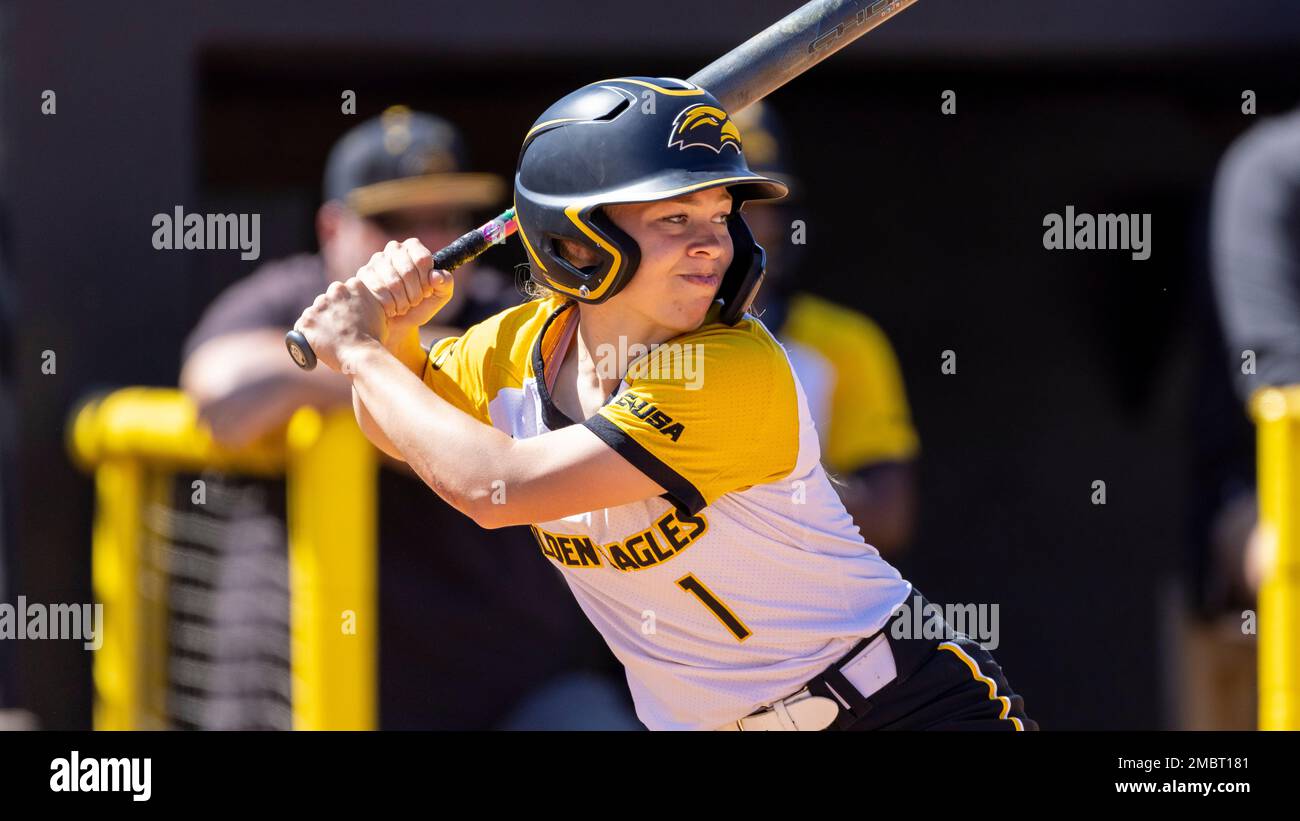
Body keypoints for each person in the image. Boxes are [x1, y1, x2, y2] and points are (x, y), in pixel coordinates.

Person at [294, 77, 1037, 731]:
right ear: (577, 239)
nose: (712, 243)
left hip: (895, 708)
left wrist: (360, 352)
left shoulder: (734, 364)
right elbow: (398, 431)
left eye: (718, 217)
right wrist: (393, 341)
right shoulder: (513, 344)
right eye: (675, 220)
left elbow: (499, 487)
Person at [181, 106, 635, 730]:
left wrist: (371, 367)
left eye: (444, 217)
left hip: (511, 684)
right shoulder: (295, 299)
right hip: (307, 686)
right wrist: (401, 373)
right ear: (331, 226)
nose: (420, 244)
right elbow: (223, 395)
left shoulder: (505, 310)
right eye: (392, 219)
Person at [732, 102, 919, 559]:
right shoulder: (630, 337)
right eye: (717, 211)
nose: (735, 229)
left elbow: (887, 518)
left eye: (757, 207)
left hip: (793, 602)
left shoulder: (841, 342)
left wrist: (731, 469)